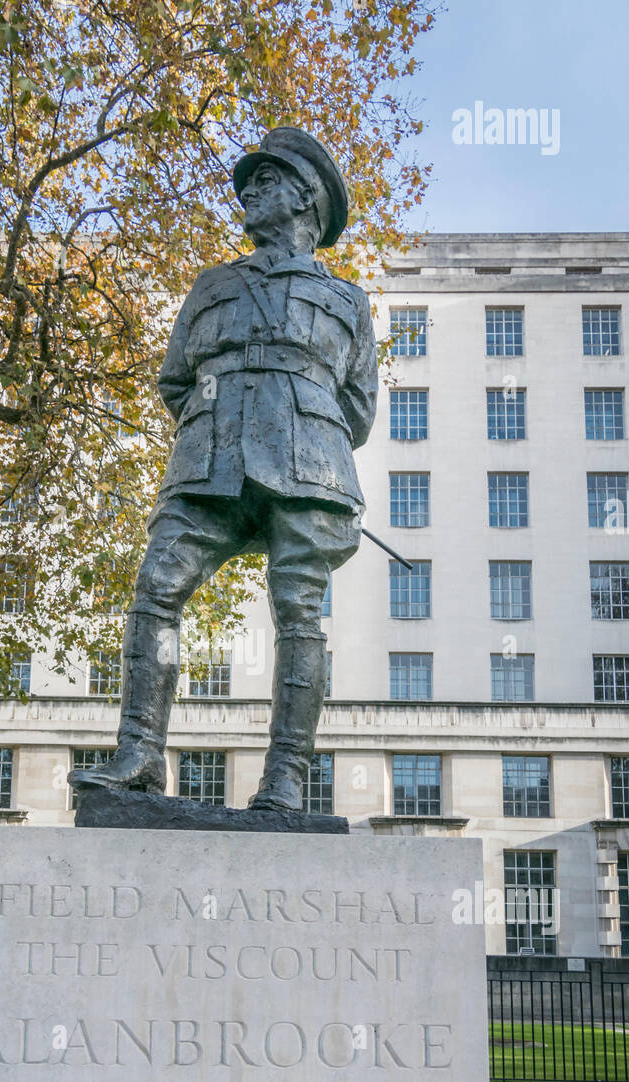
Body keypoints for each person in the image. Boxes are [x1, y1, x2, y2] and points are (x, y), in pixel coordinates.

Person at [70, 126, 378, 812]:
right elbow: (176, 380)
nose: (247, 192)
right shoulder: (212, 284)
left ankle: (287, 777)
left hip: (308, 460)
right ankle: (141, 753)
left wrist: (294, 415)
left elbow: (358, 409)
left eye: (265, 181)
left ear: (304, 198)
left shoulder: (350, 301)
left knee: (299, 610)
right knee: (156, 587)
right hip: (210, 452)